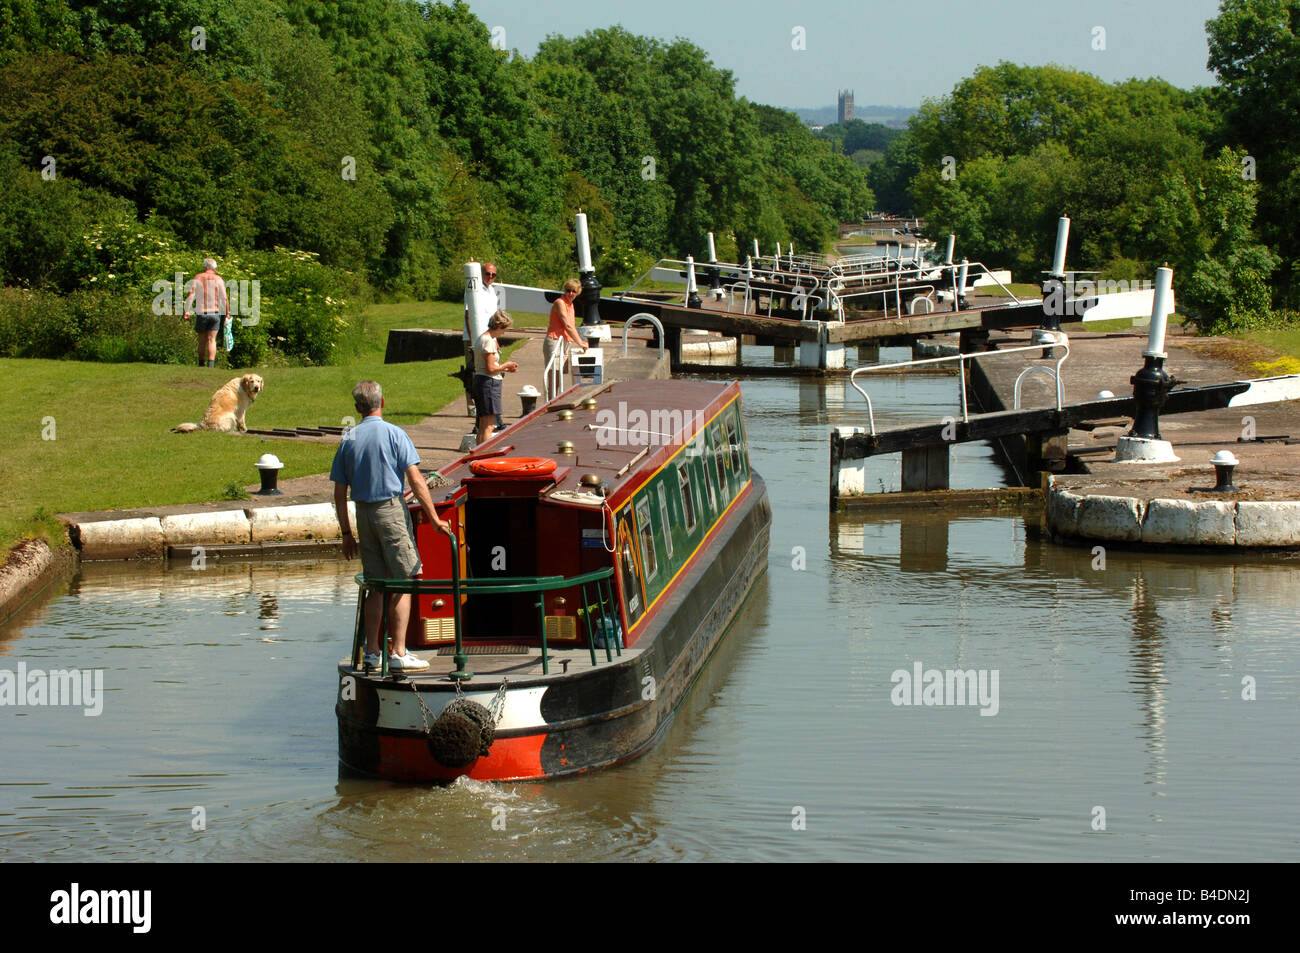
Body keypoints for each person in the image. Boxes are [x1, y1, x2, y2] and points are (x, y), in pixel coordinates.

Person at [331, 380, 454, 672]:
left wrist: (347, 534)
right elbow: (416, 480)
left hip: (363, 514)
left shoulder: (348, 437)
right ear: (382, 403)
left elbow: (339, 492)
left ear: (357, 408)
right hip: (390, 510)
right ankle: (398, 652)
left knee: (376, 584)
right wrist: (434, 518)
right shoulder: (395, 434)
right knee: (404, 580)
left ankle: (372, 651)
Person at [463, 262, 505, 428]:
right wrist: (474, 342)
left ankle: (492, 415)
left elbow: (494, 316)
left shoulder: (492, 290)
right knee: (476, 373)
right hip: (477, 338)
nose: (490, 277)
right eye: (487, 274)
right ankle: (477, 411)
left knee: (493, 372)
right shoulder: (474, 290)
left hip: (490, 337)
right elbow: (468, 315)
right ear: (481, 274)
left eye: (493, 275)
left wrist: (496, 339)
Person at [473, 311, 519, 445]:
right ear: (499, 326)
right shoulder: (489, 341)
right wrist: (506, 364)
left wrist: (505, 369)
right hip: (489, 383)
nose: (504, 332)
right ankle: (485, 456)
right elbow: (491, 369)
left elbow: (487, 366)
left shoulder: (483, 338)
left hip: (481, 380)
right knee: (489, 426)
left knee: (482, 424)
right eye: (504, 329)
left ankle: (478, 455)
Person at [184, 258, 229, 368]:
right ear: (215, 268)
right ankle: (211, 365)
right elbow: (224, 298)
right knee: (212, 340)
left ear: (205, 267)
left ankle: (201, 364)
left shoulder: (198, 277)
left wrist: (187, 311)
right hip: (215, 312)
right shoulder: (218, 279)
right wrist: (227, 313)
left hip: (202, 312)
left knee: (202, 341)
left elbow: (191, 295)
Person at [544, 278, 588, 375]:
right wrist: (580, 342)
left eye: (574, 291)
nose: (571, 293)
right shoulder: (560, 302)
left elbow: (572, 326)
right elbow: (567, 325)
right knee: (554, 374)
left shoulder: (570, 304)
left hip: (565, 340)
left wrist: (581, 341)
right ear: (565, 290)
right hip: (555, 340)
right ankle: (552, 391)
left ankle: (558, 391)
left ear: (578, 293)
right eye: (568, 290)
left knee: (561, 373)